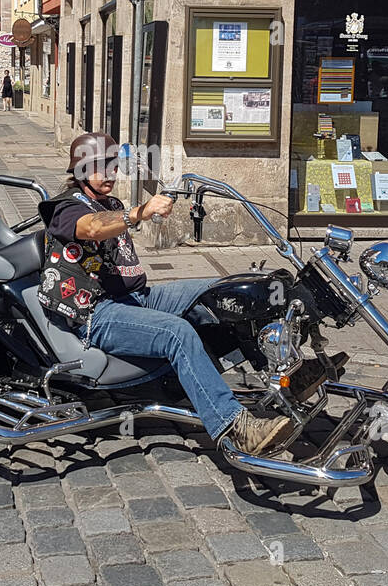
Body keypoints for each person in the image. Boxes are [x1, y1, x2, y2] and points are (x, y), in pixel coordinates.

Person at [39, 132, 293, 456]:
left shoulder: (111, 203)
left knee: (221, 292)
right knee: (177, 333)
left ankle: (282, 378)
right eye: (99, 166)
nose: (110, 174)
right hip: (94, 314)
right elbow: (91, 227)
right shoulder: (65, 207)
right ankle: (236, 427)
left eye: (113, 165)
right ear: (79, 171)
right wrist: (139, 212)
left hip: (137, 296)